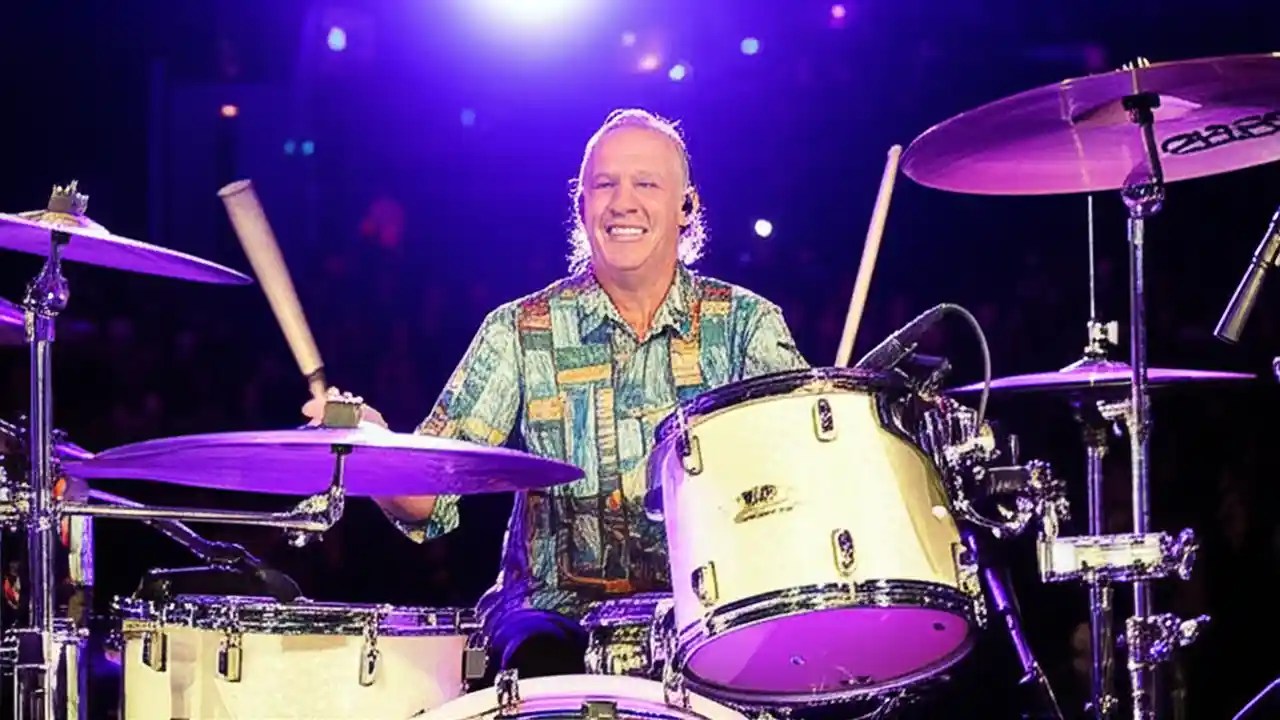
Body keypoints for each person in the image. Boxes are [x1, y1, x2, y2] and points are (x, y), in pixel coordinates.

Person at [305, 108, 809, 678]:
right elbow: (426, 500)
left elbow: (797, 482)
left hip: (710, 616)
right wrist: (373, 447)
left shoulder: (746, 325)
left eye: (646, 183)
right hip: (553, 618)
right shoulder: (520, 330)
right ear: (581, 206)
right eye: (604, 185)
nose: (623, 202)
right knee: (539, 661)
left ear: (686, 206)